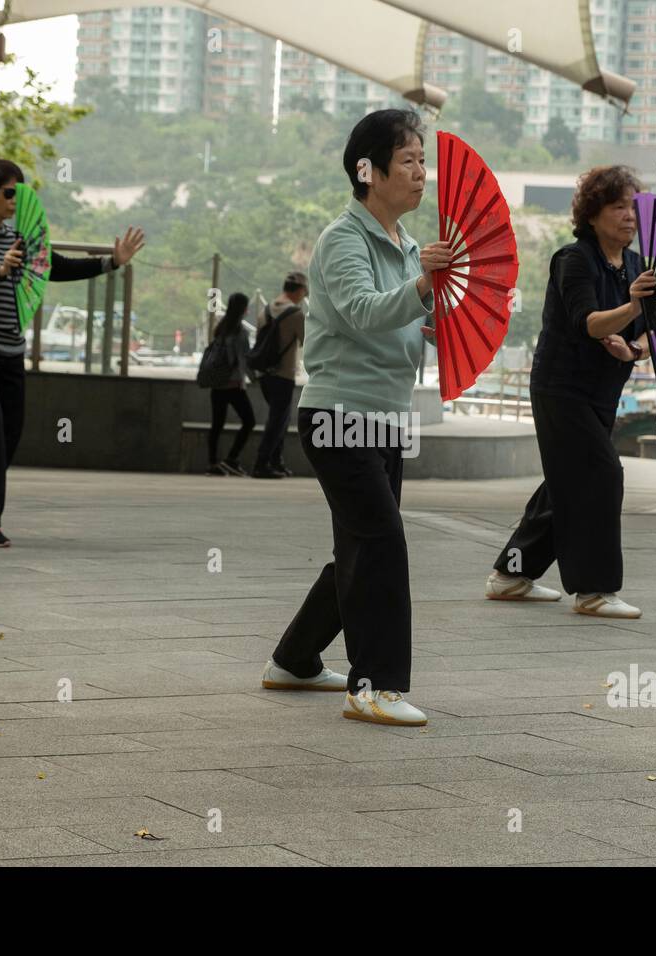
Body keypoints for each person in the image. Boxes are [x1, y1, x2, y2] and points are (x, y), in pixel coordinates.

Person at [259, 108, 452, 726]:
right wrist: (422, 286)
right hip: (339, 415)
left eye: (424, 161)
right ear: (367, 171)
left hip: (386, 416)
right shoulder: (342, 239)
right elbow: (366, 312)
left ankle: (294, 659)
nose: (422, 173)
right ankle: (375, 687)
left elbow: (400, 326)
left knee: (360, 546)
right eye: (409, 161)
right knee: (382, 542)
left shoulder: (408, 244)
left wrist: (442, 325)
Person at [0, 158, 143, 547]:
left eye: (20, 192)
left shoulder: (23, 239)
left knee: (7, 435)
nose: (15, 200)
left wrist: (111, 262)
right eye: (7, 192)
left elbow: (57, 267)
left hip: (9, 352)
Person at [485, 165, 654, 618]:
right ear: (593, 213)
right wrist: (633, 305)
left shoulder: (638, 267)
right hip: (561, 388)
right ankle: (594, 589)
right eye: (618, 206)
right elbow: (589, 322)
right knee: (602, 475)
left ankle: (509, 575)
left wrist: (633, 350)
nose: (629, 216)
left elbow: (651, 332)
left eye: (634, 207)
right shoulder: (573, 259)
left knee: (565, 482)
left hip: (603, 391)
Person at [251, 271, 308, 479]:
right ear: (300, 290)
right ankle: (262, 463)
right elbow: (306, 341)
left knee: (280, 419)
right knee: (277, 420)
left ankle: (276, 461)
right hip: (283, 374)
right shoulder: (295, 314)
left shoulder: (266, 310)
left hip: (264, 373)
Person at [205, 292, 256, 476]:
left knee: (216, 425)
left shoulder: (220, 328)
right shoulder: (241, 333)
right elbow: (245, 360)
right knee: (249, 421)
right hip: (233, 385)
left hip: (217, 385)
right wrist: (255, 378)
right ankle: (231, 459)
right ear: (243, 309)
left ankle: (212, 463)